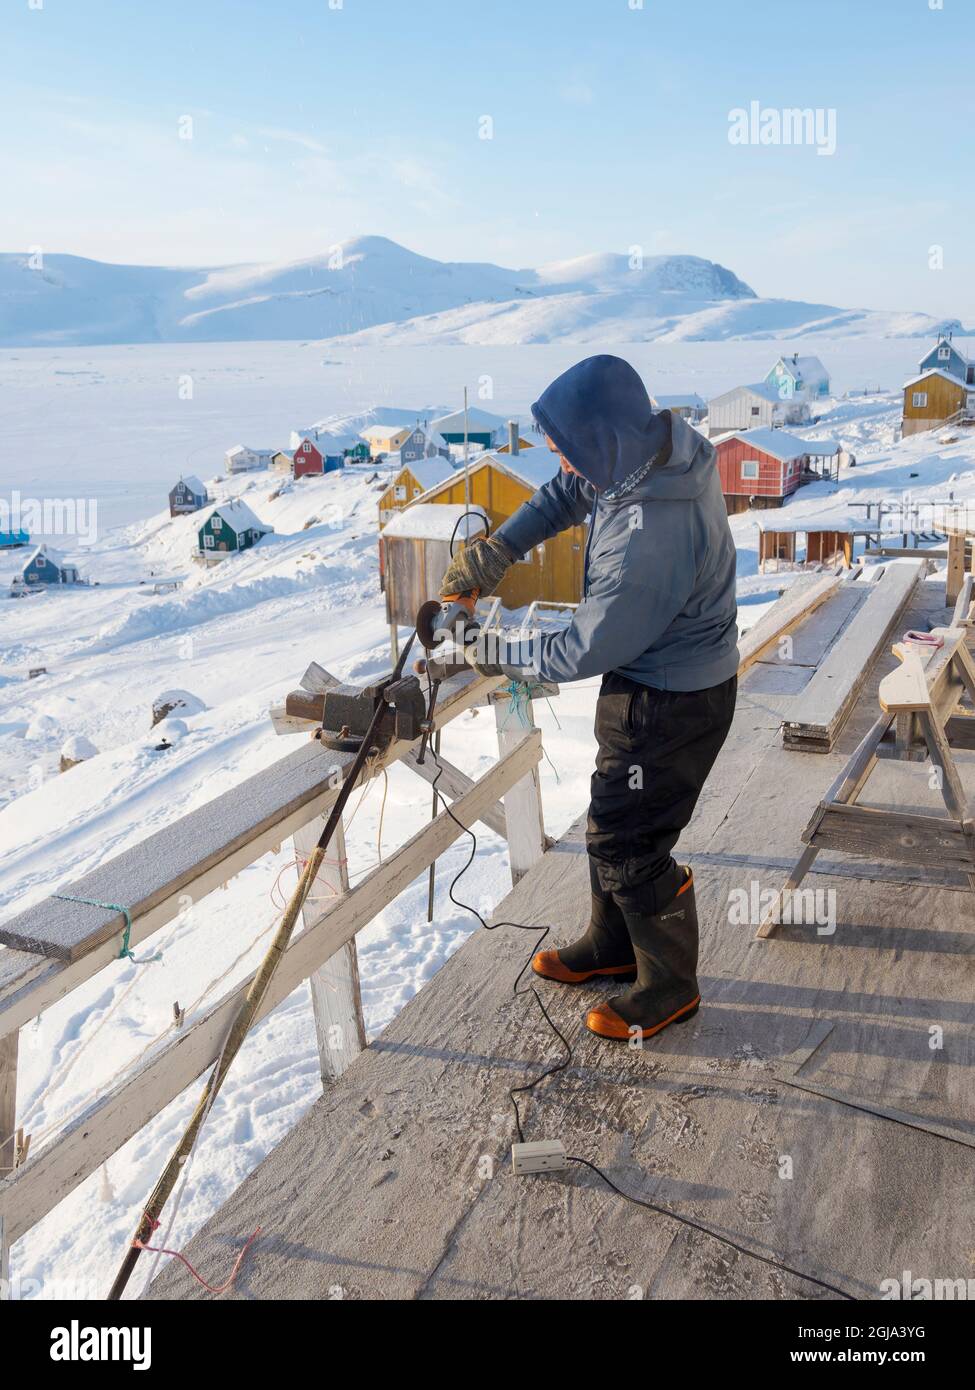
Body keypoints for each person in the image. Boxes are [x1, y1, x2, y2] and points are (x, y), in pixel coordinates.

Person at [438, 354, 738, 1042]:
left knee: (629, 837)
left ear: (605, 439)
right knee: (613, 815)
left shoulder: (650, 535)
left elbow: (581, 647)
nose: (557, 456)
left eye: (567, 445)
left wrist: (485, 648)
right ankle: (612, 948)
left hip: (672, 699)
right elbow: (570, 491)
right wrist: (499, 550)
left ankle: (668, 986)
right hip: (655, 681)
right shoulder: (648, 450)